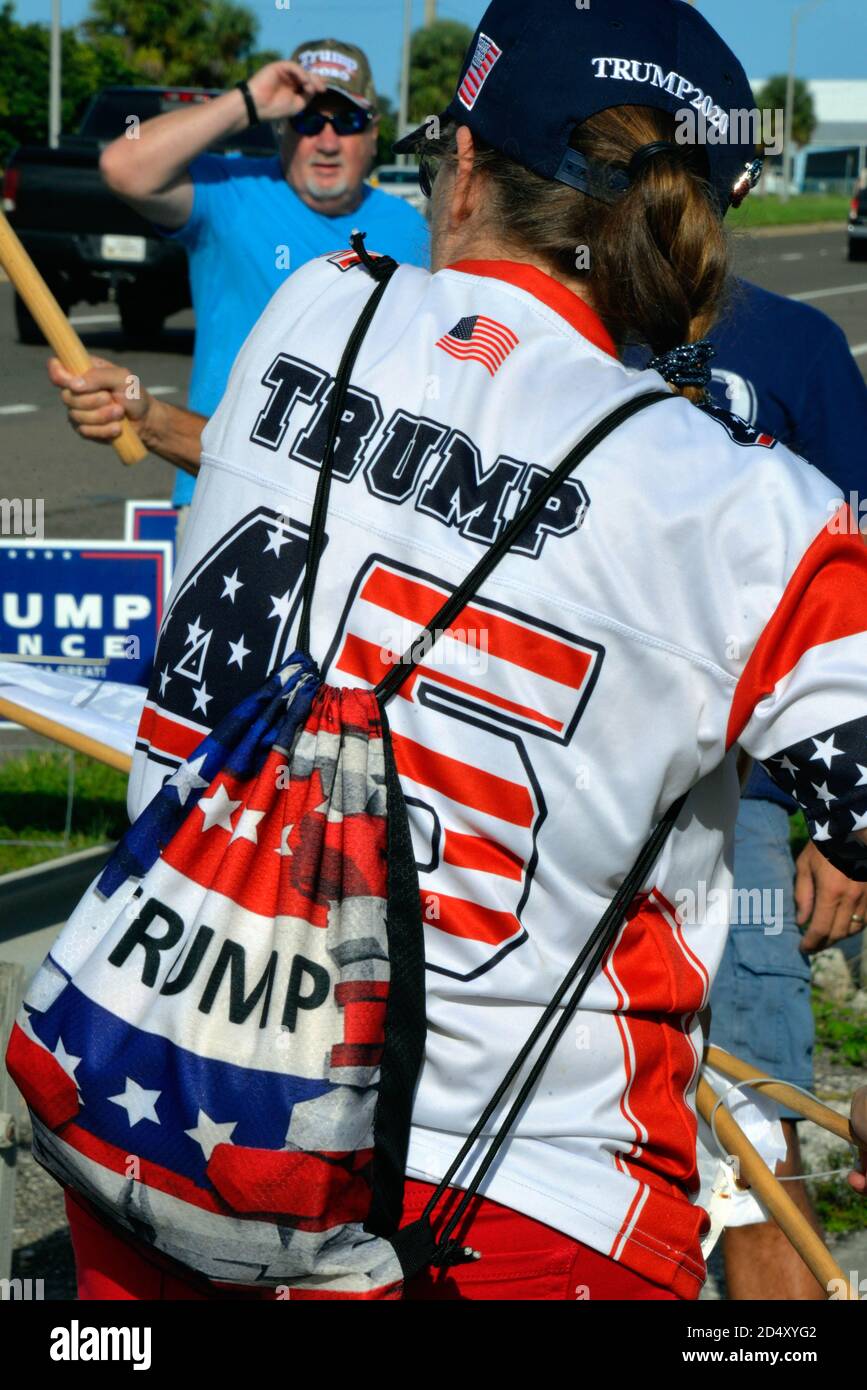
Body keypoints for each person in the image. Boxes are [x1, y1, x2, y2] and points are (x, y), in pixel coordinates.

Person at [46, 0, 867, 1301]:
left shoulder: (313, 311)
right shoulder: (741, 507)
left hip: (175, 1102)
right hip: (517, 1206)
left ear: (466, 170)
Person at [626, 283, 867, 1300]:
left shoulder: (796, 344)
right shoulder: (562, 314)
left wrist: (845, 829)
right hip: (568, 787)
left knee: (754, 1130)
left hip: (748, 800)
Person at [97, 39, 430, 534]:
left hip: (358, 513)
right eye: (308, 120)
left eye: (348, 121)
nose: (328, 139)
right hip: (222, 492)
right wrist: (248, 101)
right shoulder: (231, 193)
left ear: (375, 132)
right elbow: (123, 168)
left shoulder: (416, 230)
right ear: (282, 127)